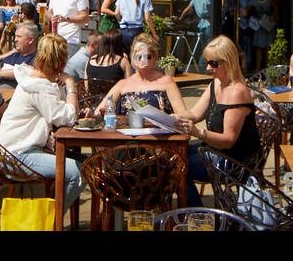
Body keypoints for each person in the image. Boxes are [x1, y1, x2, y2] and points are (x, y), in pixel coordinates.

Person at [0, 33, 81, 217]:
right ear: (61, 63)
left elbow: (59, 111)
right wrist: (71, 84)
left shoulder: (32, 78)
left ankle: (49, 219)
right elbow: (68, 117)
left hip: (8, 150)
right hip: (17, 155)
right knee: (79, 172)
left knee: (80, 165)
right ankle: (51, 223)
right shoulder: (39, 86)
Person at [174, 34, 261, 206]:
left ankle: (195, 217)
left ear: (228, 62)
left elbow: (228, 141)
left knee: (177, 167)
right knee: (171, 156)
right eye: (206, 62)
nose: (207, 68)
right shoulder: (216, 83)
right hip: (215, 150)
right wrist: (169, 117)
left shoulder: (236, 92)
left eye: (213, 63)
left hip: (234, 160)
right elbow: (195, 114)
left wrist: (198, 132)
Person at [97, 34, 183, 119]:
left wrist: (174, 117)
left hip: (159, 131)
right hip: (128, 130)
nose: (143, 60)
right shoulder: (122, 84)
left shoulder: (166, 81)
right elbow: (100, 111)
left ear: (155, 57)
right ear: (132, 57)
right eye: (138, 56)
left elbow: (183, 113)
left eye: (147, 56)